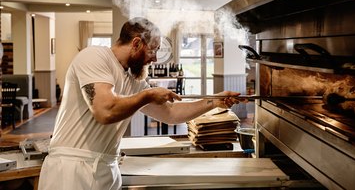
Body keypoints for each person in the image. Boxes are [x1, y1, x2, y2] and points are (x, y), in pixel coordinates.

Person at [38, 17, 243, 190]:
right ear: (136, 43)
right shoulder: (94, 56)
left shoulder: (133, 79)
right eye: (153, 50)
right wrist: (147, 95)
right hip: (71, 170)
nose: (154, 59)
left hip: (106, 168)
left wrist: (214, 101)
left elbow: (170, 114)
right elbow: (104, 110)